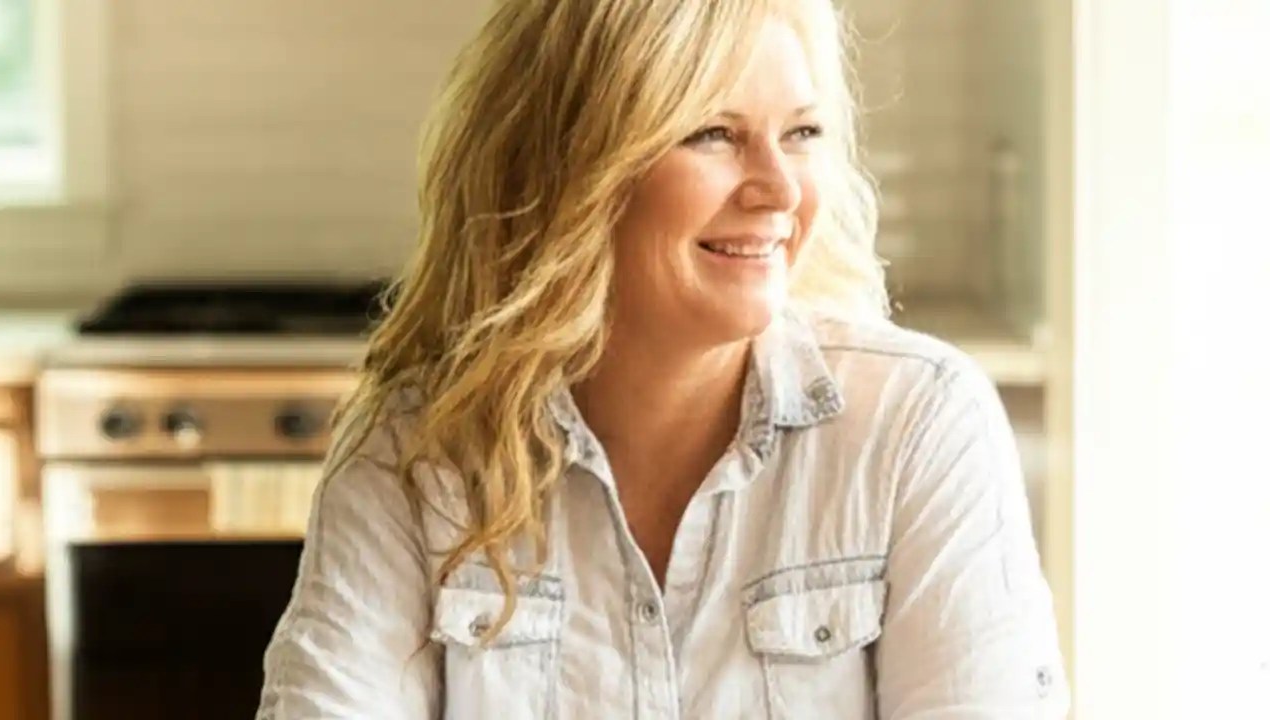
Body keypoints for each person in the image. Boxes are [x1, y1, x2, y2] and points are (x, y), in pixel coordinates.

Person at [256, 0, 1070, 717]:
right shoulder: (413, 456)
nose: (780, 191)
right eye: (714, 134)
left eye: (801, 134)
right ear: (572, 171)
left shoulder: (916, 426)